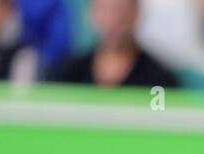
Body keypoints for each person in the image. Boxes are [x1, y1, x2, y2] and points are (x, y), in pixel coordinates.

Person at [48, 0, 178, 88]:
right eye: (105, 9)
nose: (113, 20)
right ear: (92, 13)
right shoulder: (68, 74)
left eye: (120, 10)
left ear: (136, 12)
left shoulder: (159, 79)